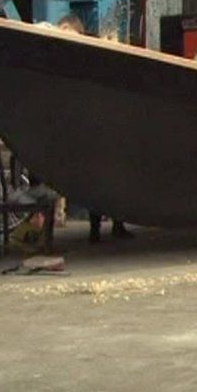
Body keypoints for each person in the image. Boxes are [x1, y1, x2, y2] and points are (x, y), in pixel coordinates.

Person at [53, 14, 132, 242]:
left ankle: (109, 227)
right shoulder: (93, 62)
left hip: (102, 132)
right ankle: (100, 228)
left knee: (107, 182)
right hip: (97, 132)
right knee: (102, 182)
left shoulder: (95, 63)